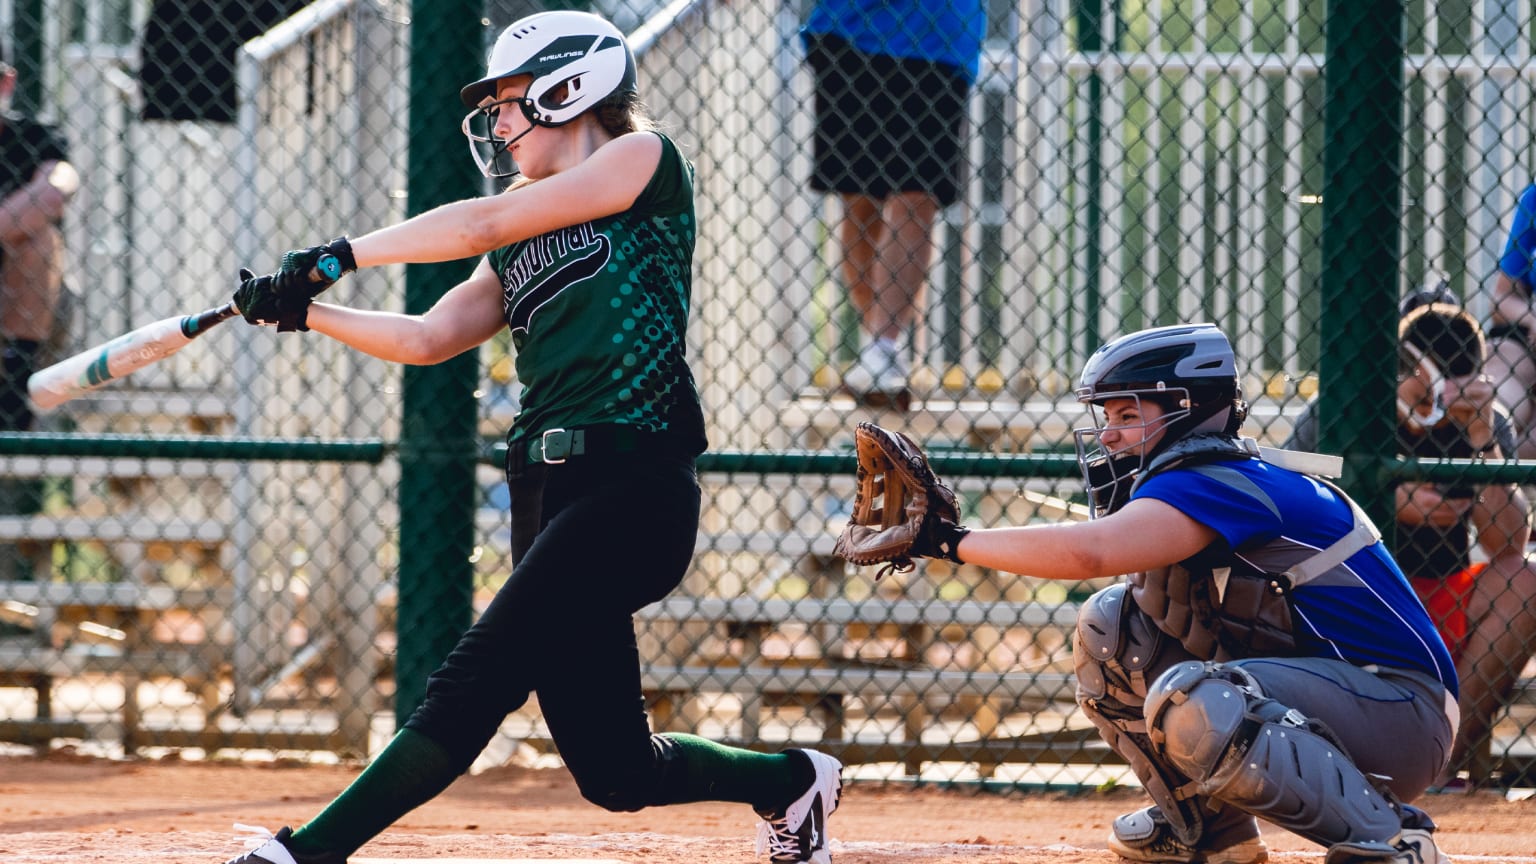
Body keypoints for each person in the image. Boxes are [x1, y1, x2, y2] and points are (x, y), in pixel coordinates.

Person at [221, 12, 841, 864]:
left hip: (634, 482)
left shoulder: (643, 159)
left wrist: (340, 255)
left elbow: (477, 224)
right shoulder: (520, 225)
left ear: (569, 90)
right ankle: (791, 782)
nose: (500, 122)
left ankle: (306, 853)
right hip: (544, 492)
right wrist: (306, 312)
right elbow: (431, 337)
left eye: (511, 102)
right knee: (615, 769)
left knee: (473, 680)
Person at [858, 323, 1458, 863]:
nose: (1110, 435)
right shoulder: (1209, 479)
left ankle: (1391, 841)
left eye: (1128, 415)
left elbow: (1091, 553)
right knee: (1113, 628)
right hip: (1339, 700)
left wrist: (950, 541)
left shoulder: (1223, 482)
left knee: (1195, 697)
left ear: (1187, 409)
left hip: (1401, 712)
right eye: (1107, 416)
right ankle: (1209, 832)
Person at [1290, 294, 1536, 789]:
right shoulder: (1342, 407)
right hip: (1356, 595)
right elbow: (1291, 510)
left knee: (1526, 579)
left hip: (1442, 595)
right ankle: (1334, 759)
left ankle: (1436, 765)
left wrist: (1481, 442)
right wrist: (1382, 498)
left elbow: (1508, 544)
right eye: (1423, 390)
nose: (1436, 404)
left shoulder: (1486, 417)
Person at [800, 0, 986, 405]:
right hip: (850, 31)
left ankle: (882, 350)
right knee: (859, 202)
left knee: (918, 196)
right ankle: (878, 351)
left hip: (938, 39)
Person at [0, 43, 77, 432]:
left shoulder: (32, 136)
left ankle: (16, 381)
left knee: (38, 239)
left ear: (6, 82)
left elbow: (57, 188)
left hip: (25, 297)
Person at [1483, 182, 1536, 457]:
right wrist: (1532, 319)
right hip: (1530, 338)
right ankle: (1491, 424)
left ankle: (1494, 457)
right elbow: (1503, 297)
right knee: (1500, 355)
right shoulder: (1534, 198)